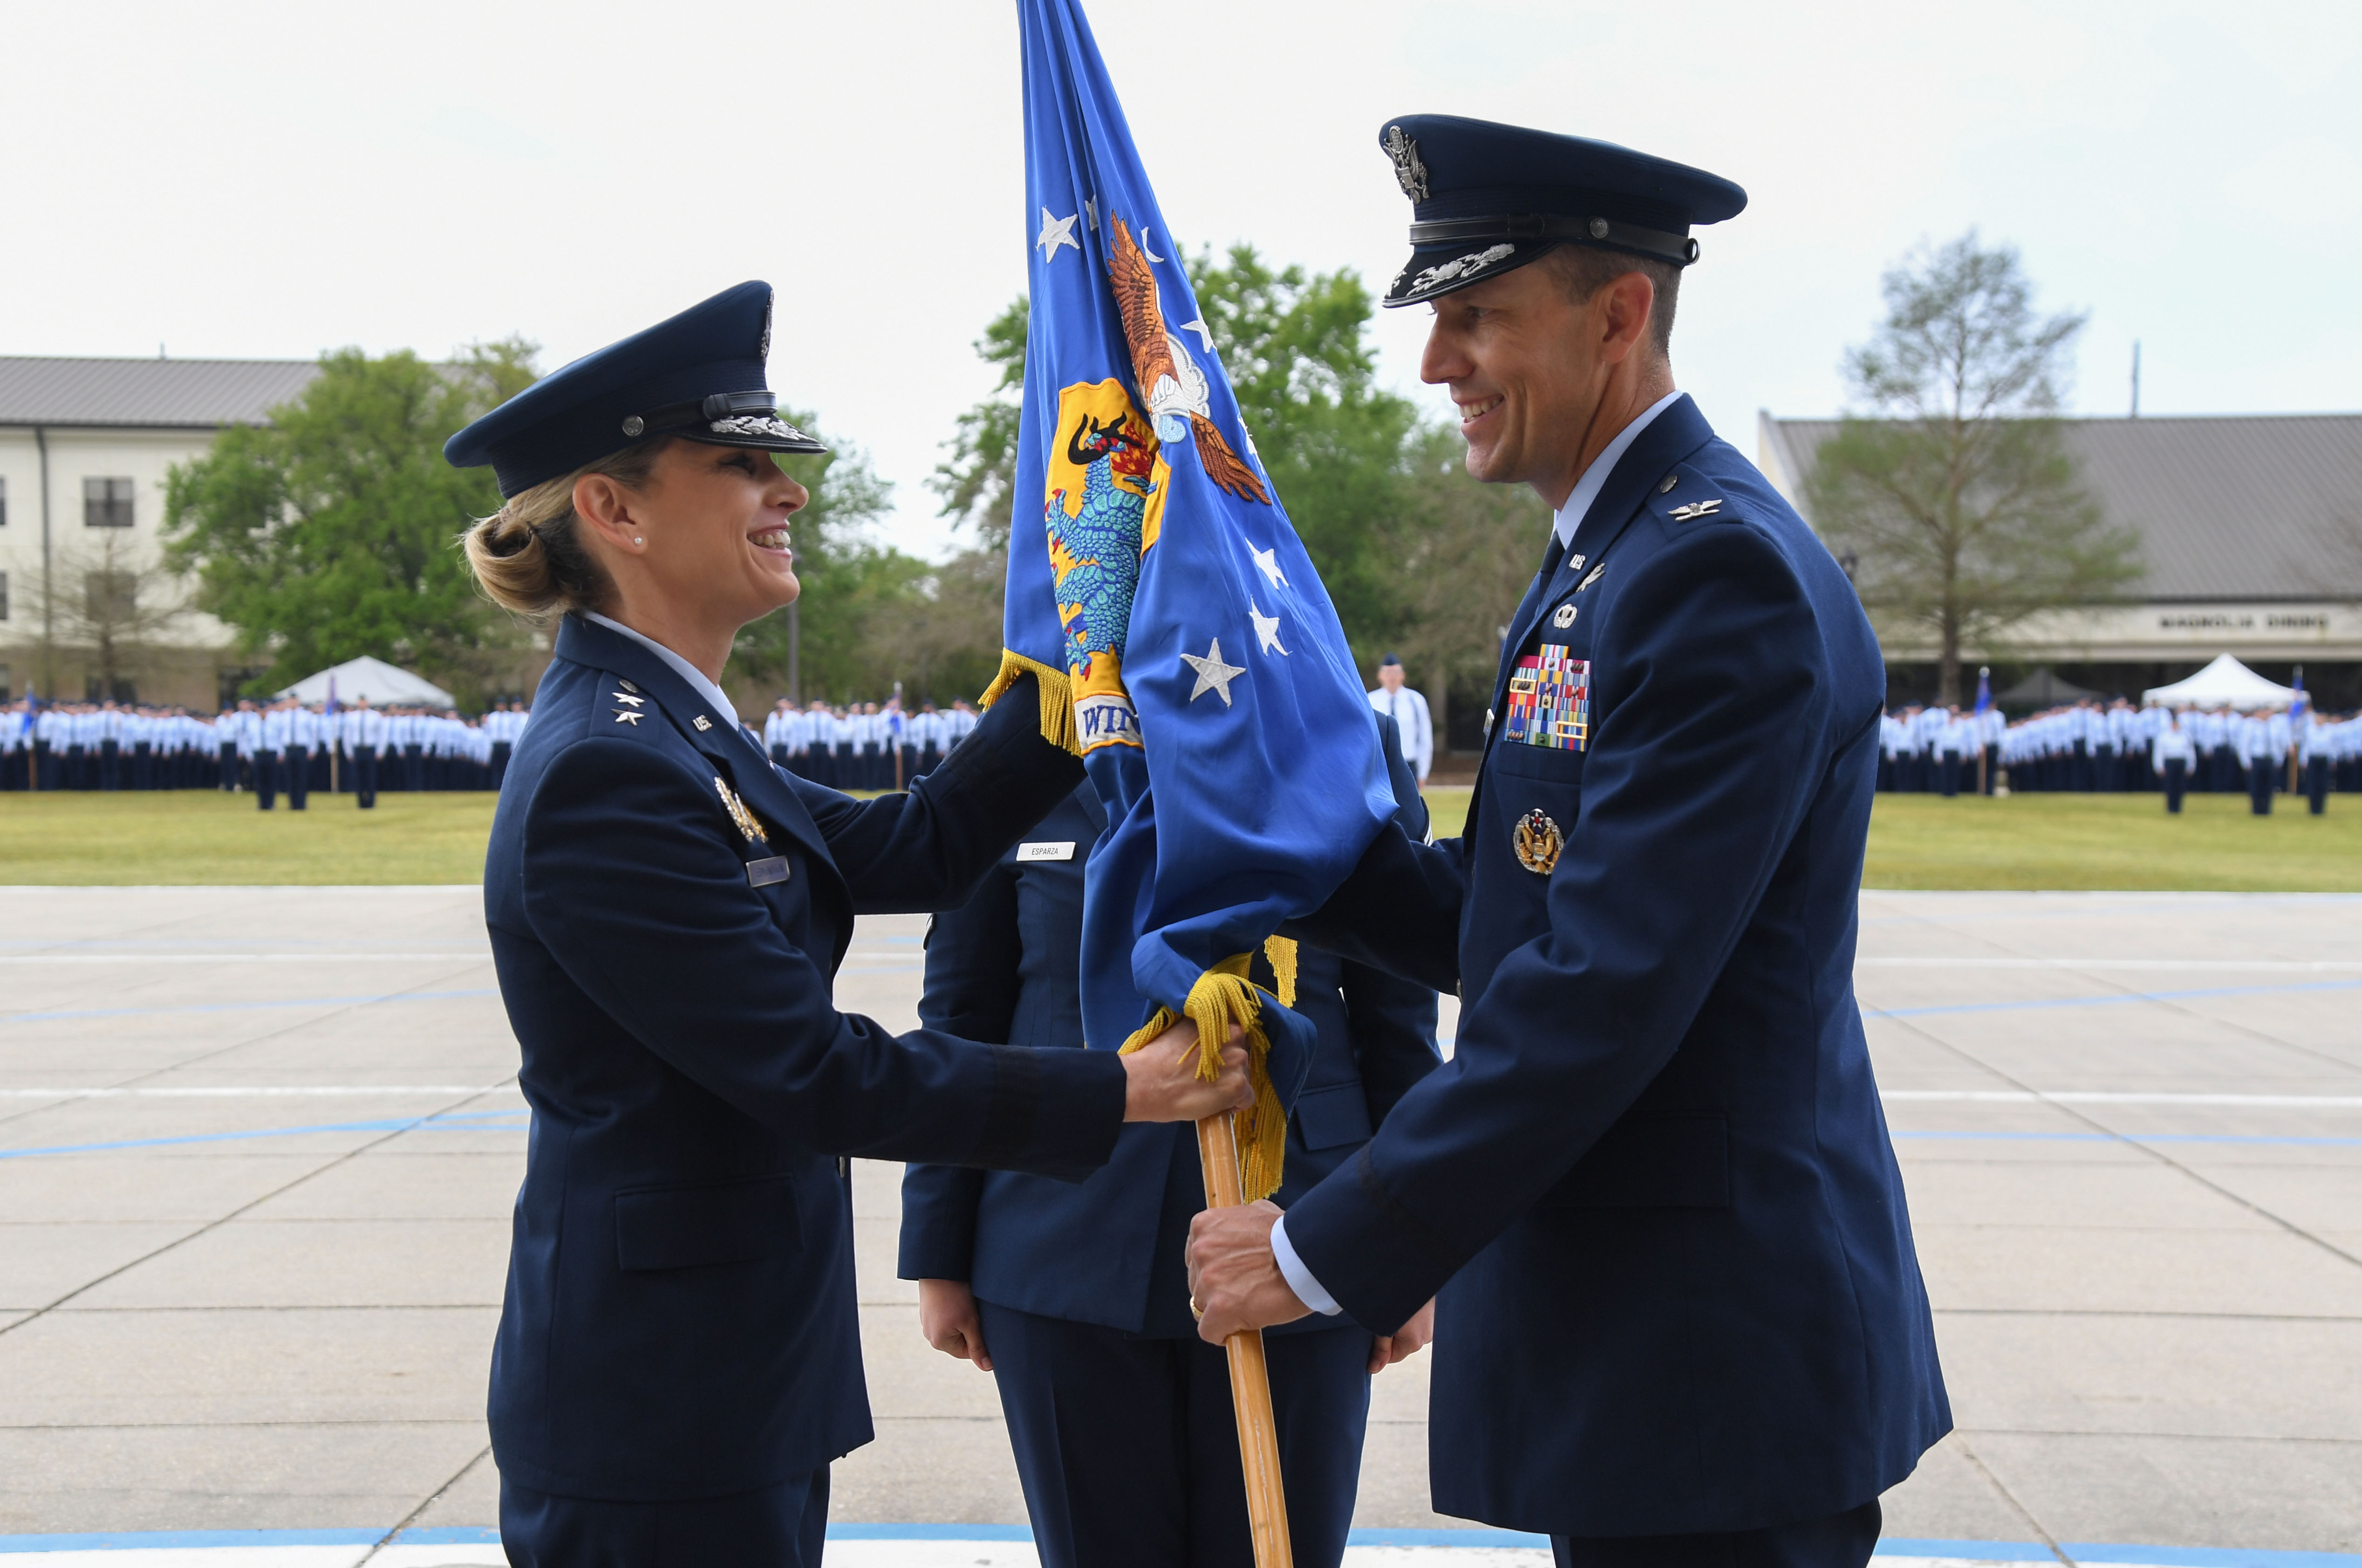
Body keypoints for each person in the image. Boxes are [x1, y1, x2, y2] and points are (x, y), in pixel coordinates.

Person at [1186, 116, 1948, 1568]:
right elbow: (1516, 903)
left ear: (1618, 316)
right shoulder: (1620, 556)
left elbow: (1596, 991)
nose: (1435, 365)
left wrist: (1314, 1249)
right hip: (1646, 1354)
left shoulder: (1710, 573)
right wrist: (1273, 843)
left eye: (1475, 316)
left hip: (1709, 1365)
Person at [444, 280, 1254, 1568]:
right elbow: (813, 1071)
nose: (789, 489)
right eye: (740, 462)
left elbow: (915, 841)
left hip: (729, 1378)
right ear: (614, 509)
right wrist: (1117, 1091)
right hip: (656, 1410)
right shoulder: (609, 770)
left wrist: (1075, 646)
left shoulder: (677, 729)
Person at [900, 713, 1441, 1568]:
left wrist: (1409, 1251)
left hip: (1302, 1236)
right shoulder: (1025, 741)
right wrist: (939, 1249)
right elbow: (962, 1015)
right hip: (1057, 1251)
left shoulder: (1328, 722)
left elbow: (1399, 1020)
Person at [1365, 654, 1433, 787]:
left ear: (1403, 675)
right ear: (1380, 675)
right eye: (1388, 673)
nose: (1392, 677)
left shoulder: (1416, 701)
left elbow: (1425, 737)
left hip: (1408, 763)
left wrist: (1423, 772)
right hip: (1380, 765)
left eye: (1396, 672)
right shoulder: (1370, 700)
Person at [2151, 707, 2195, 813]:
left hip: (2181, 762)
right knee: (2170, 786)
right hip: (2170, 762)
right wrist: (2159, 766)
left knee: (2180, 787)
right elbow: (2159, 752)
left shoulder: (2185, 735)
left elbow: (2190, 752)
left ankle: (2178, 808)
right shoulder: (2164, 736)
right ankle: (2170, 808)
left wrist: (2191, 766)